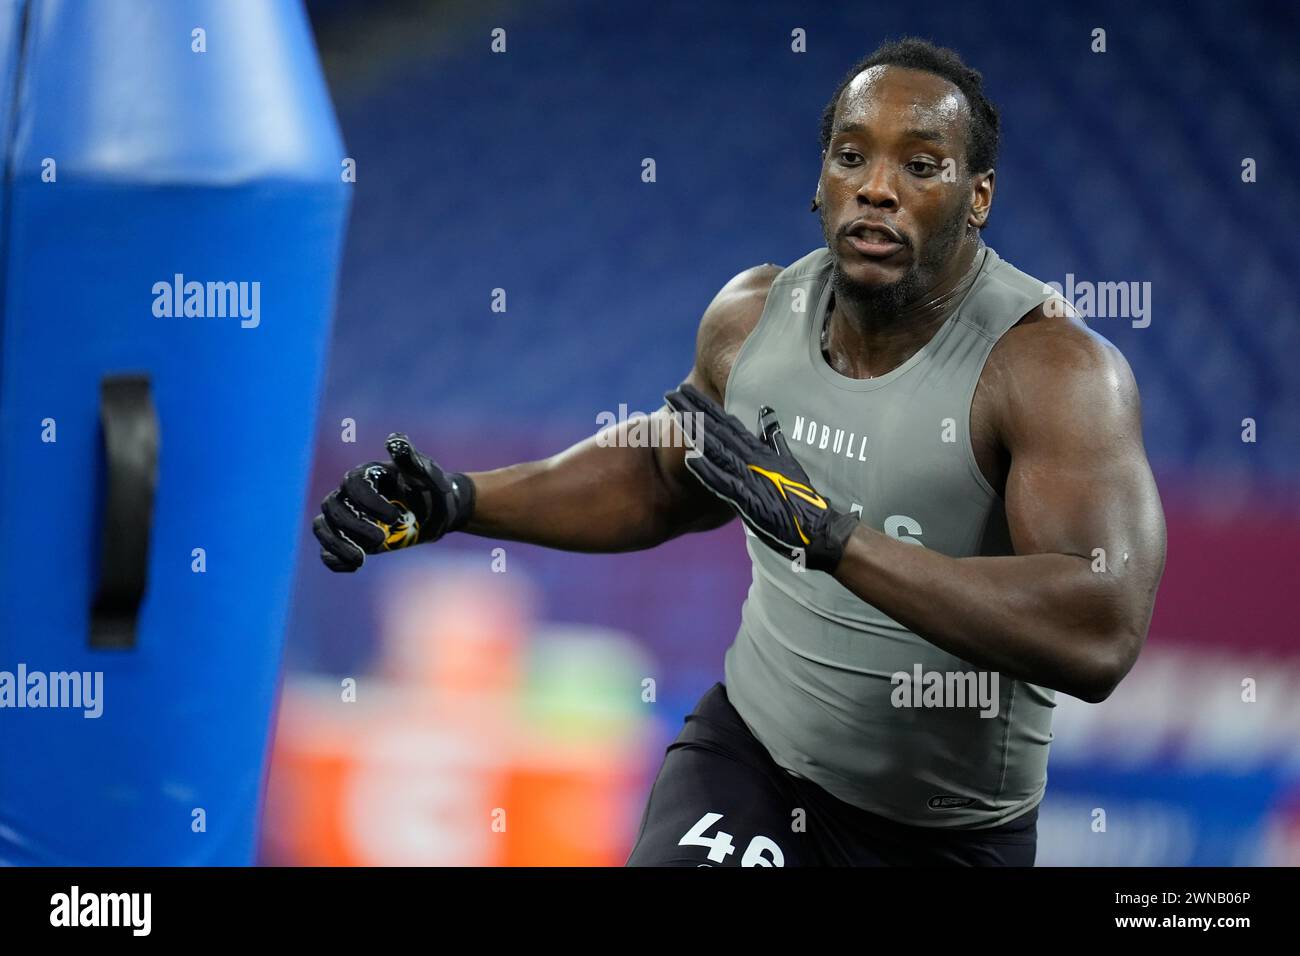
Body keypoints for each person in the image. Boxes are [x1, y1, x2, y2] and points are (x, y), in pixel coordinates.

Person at [313, 37, 1166, 866]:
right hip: (750, 765)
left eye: (921, 165)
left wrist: (838, 544)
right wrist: (458, 501)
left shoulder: (1052, 370)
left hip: (947, 835)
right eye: (850, 155)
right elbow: (658, 478)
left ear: (977, 197)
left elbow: (1098, 629)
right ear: (819, 181)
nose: (876, 188)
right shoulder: (752, 320)